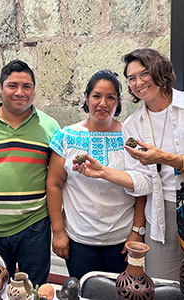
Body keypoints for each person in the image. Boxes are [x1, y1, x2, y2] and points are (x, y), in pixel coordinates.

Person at [74, 49, 184, 281]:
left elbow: (162, 160)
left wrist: (164, 158)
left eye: (144, 73)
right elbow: (143, 182)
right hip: (161, 210)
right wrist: (103, 172)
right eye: (131, 78)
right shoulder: (134, 124)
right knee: (162, 284)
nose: (138, 82)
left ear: (160, 71)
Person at [0, 59, 60, 285]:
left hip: (34, 225)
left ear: (34, 91)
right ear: (0, 89)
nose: (20, 92)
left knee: (33, 288)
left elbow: (55, 177)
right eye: (12, 86)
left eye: (26, 86)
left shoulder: (49, 127)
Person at [46, 70, 145, 280]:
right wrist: (59, 232)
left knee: (121, 292)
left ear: (118, 103)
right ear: (87, 98)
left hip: (121, 240)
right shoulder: (67, 137)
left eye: (111, 97)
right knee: (86, 292)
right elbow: (54, 184)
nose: (103, 103)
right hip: (79, 241)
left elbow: (141, 186)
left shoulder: (130, 138)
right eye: (97, 96)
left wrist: (137, 230)